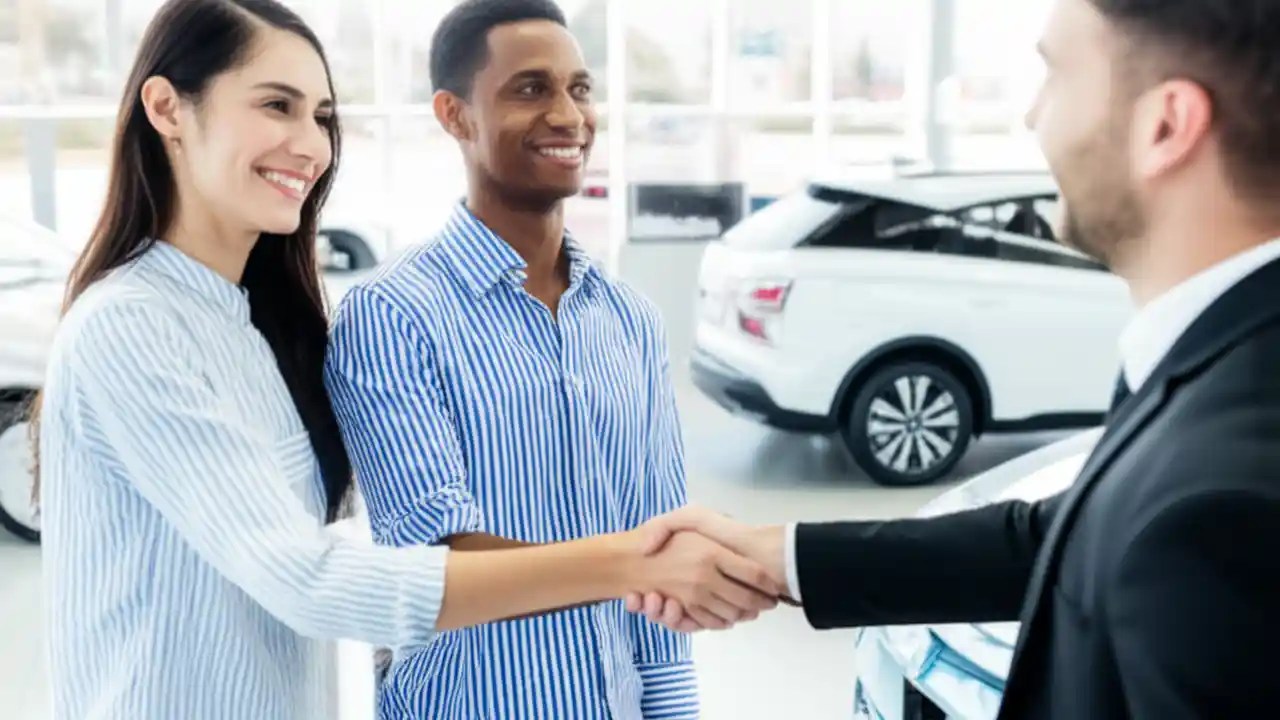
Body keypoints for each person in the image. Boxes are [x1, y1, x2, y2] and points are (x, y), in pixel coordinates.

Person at [33, 1, 780, 718]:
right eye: (276, 105)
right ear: (167, 108)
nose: (311, 143)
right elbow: (312, 578)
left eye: (322, 117)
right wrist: (634, 564)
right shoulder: (129, 326)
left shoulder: (260, 331)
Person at [634, 0, 1280, 716]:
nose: (1033, 118)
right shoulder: (1228, 361)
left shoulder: (1225, 493)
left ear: (1165, 125)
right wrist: (778, 556)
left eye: (1056, 76)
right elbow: (1065, 538)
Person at [324, 2, 710, 718]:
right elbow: (435, 567)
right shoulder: (392, 317)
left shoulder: (631, 322)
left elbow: (661, 544)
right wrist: (637, 563)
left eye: (580, 88)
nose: (568, 115)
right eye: (530, 89)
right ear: (454, 114)